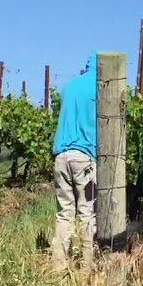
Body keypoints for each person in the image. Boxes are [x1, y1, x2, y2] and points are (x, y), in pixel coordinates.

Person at [50, 53, 98, 273]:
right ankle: (87, 266)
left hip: (61, 156)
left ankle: (59, 265)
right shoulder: (101, 87)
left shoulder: (69, 86)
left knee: (64, 213)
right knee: (88, 212)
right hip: (85, 157)